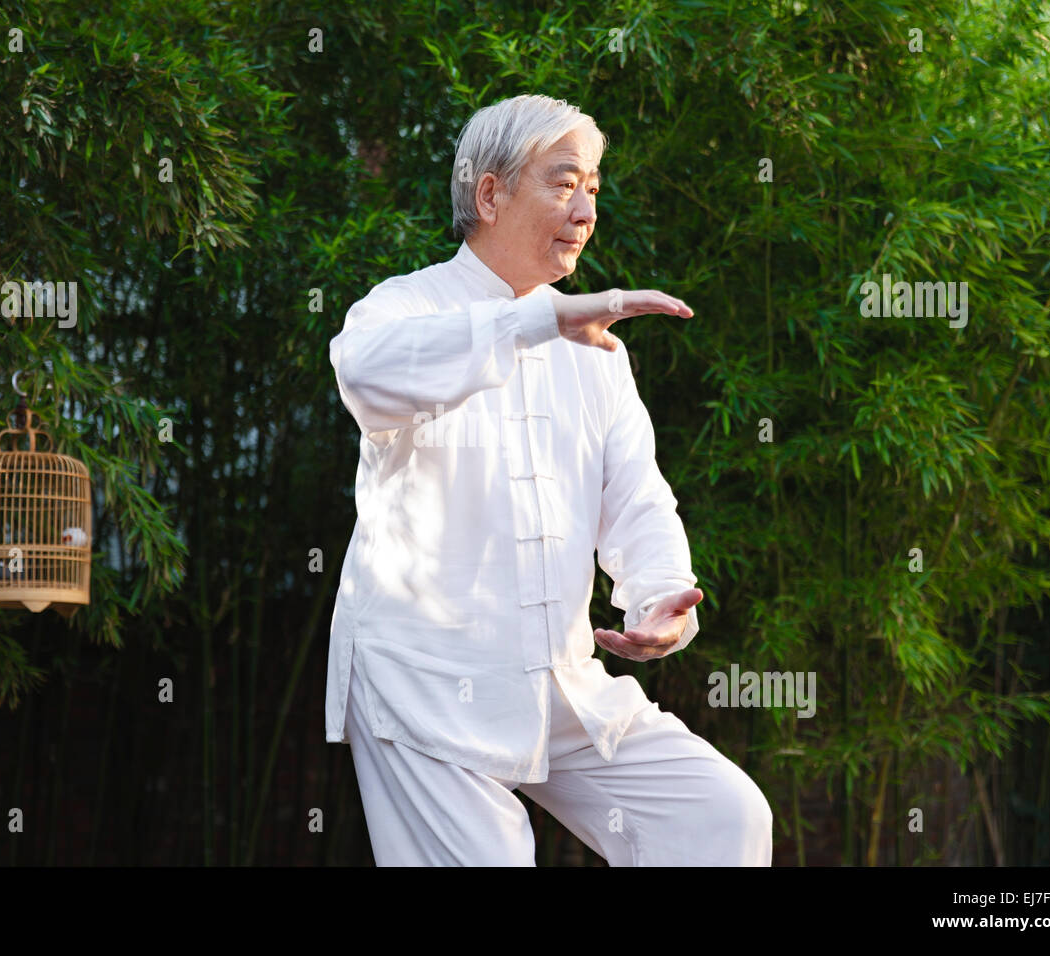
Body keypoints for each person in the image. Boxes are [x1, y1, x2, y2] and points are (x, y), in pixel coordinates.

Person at [325, 93, 773, 866]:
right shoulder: (403, 308)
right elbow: (366, 376)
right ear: (490, 191)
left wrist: (661, 592)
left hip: (561, 679)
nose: (586, 208)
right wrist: (542, 320)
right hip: (423, 682)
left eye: (594, 187)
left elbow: (635, 498)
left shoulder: (597, 348)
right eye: (565, 183)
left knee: (720, 817)